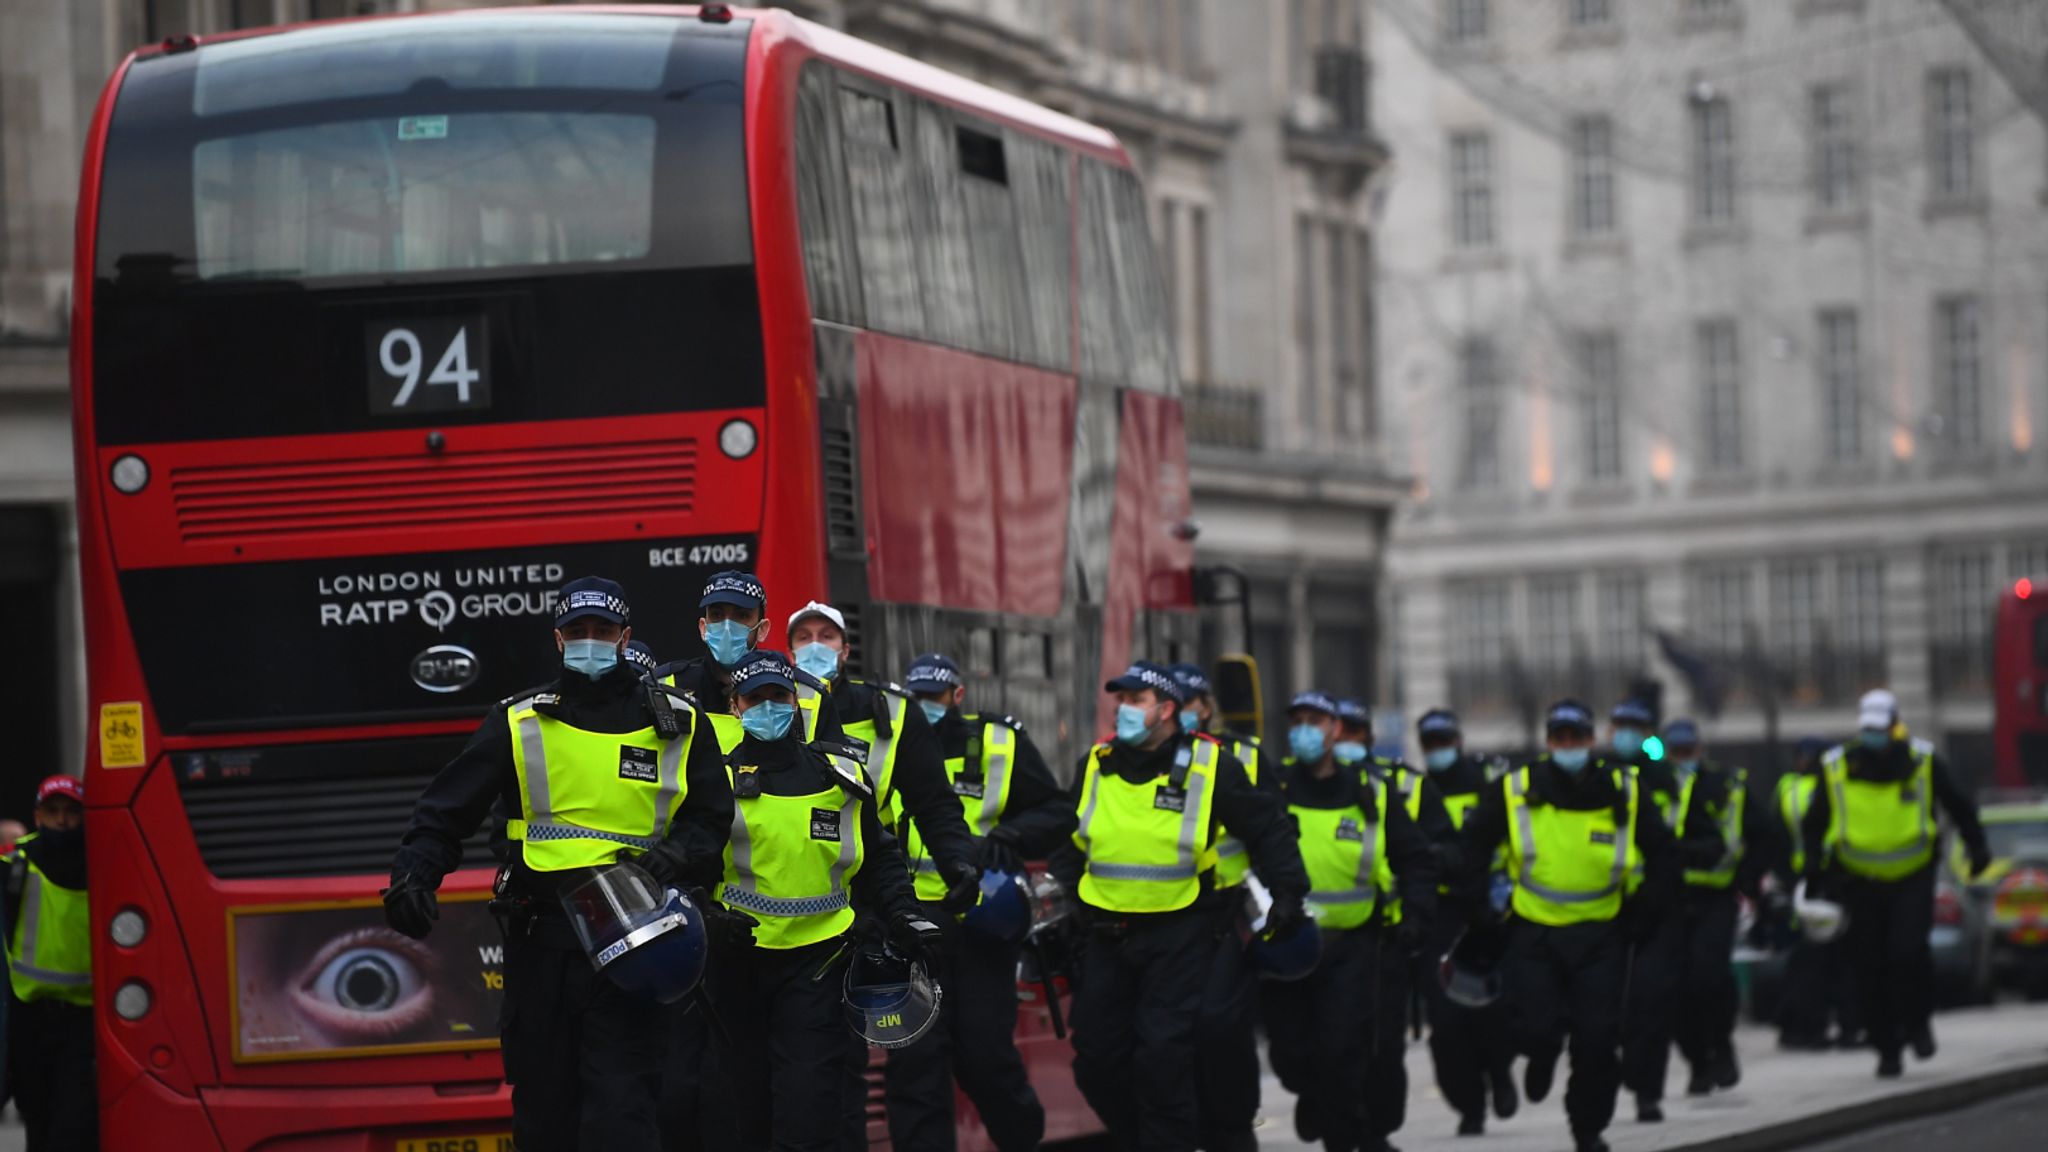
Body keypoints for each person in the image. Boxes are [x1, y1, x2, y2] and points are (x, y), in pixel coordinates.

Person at [385, 576, 733, 1151]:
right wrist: (413, 875)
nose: (589, 640)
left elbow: (712, 819)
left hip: (634, 946)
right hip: (542, 944)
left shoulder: (678, 722)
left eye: (603, 630)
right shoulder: (519, 721)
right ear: (558, 639)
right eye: (578, 630)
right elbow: (446, 811)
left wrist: (679, 855)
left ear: (625, 638)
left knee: (622, 1119)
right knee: (546, 1122)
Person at [1051, 662, 1309, 1152]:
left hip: (1181, 932)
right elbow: (1069, 840)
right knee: (1097, 1059)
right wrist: (1054, 896)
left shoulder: (1211, 766)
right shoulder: (1095, 763)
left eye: (1136, 700)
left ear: (1166, 710)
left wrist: (1289, 892)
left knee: (1163, 1057)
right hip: (1106, 935)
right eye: (1120, 700)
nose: (1123, 710)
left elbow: (1268, 827)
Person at [703, 650, 943, 1152]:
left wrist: (904, 915)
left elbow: (880, 858)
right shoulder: (714, 780)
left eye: (778, 695)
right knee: (745, 1117)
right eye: (755, 698)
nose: (768, 707)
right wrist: (709, 917)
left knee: (808, 1115)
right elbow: (691, 864)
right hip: (739, 967)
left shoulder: (841, 775)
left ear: (797, 702)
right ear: (734, 707)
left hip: (819, 967)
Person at [1457, 700, 1683, 1152]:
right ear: (1547, 741)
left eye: (1576, 737)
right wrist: (1478, 908)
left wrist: (1647, 910)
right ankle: (1541, 1056)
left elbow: (1664, 854)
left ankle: (1587, 1128)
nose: (1568, 745)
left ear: (1591, 740)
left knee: (1598, 1041)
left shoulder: (1625, 790)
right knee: (1535, 1029)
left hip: (1601, 934)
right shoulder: (1516, 788)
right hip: (1533, 932)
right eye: (1559, 737)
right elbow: (1473, 846)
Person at [877, 647, 1077, 1152]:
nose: (926, 705)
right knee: (914, 1065)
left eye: (936, 695)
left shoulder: (999, 742)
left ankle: (1021, 1140)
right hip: (911, 928)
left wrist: (1009, 836)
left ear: (958, 695)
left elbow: (1058, 813)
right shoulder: (886, 742)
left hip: (980, 925)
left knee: (985, 1057)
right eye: (917, 696)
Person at [1267, 693, 1437, 1152]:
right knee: (1288, 1052)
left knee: (1342, 1049)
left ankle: (1344, 1134)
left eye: (1315, 720)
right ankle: (1312, 1093)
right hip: (1288, 943)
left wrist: (1417, 913)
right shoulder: (1275, 787)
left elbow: (1415, 858)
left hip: (1353, 947)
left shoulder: (1373, 792)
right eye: (1297, 721)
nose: (1304, 730)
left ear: (1335, 729)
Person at [1800, 689, 1990, 1079]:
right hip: (1858, 881)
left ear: (1895, 726)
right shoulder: (1835, 766)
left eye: (1881, 728)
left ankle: (1918, 1023)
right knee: (1868, 968)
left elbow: (1958, 804)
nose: (1874, 735)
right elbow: (1814, 822)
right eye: (1868, 729)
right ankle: (1887, 1047)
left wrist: (1977, 846)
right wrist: (1815, 870)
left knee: (1908, 955)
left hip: (1911, 876)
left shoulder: (1923, 761)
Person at [1168, 663, 1267, 1152]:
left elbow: (1273, 829)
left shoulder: (1243, 758)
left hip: (1231, 912)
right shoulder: (1145, 761)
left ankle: (1234, 1124)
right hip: (1169, 913)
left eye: (1187, 702)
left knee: (1222, 1024)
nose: (1180, 712)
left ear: (1205, 707)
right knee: (1177, 1030)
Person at [1609, 698, 1716, 1123]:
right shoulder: (1601, 776)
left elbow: (1701, 840)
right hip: (1609, 906)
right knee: (1611, 1007)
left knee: (1652, 1004)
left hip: (1660, 907)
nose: (1625, 734)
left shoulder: (1665, 777)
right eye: (1619, 726)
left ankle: (1647, 1091)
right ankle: (1631, 1072)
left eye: (1634, 727)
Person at [1414, 708, 1517, 1135]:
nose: (1438, 749)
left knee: (1493, 1010)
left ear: (1458, 740)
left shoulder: (1489, 782)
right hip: (1439, 913)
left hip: (1487, 910)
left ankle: (1500, 1072)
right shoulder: (1417, 791)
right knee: (1446, 1022)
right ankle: (1470, 1105)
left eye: (1444, 740)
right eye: (1430, 743)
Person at [1658, 719, 1770, 1098]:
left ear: (1700, 750)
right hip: (1668, 902)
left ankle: (1720, 1045)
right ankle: (1697, 1062)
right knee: (1674, 990)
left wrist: (1748, 878)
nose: (1682, 758)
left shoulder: (1726, 786)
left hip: (1715, 898)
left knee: (1710, 978)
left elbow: (1763, 835)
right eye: (1676, 752)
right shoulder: (1652, 787)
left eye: (1688, 751)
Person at [5, 776, 95, 1152]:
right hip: (30, 1017)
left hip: (85, 1020)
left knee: (74, 1129)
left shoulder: (105, 860)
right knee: (38, 1123)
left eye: (72, 812)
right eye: (53, 811)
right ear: (38, 816)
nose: (62, 820)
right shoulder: (16, 862)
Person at [653, 572, 847, 746]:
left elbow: (835, 768)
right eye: (717, 615)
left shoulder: (809, 693)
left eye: (741, 616)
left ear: (762, 630)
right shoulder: (666, 686)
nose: (727, 627)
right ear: (704, 627)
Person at [1772, 736, 1861, 1050]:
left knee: (1810, 961)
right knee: (1840, 961)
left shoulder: (1789, 789)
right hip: (1831, 882)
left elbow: (1776, 837)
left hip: (1808, 885)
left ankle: (1809, 1027)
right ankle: (1846, 1025)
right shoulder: (1838, 785)